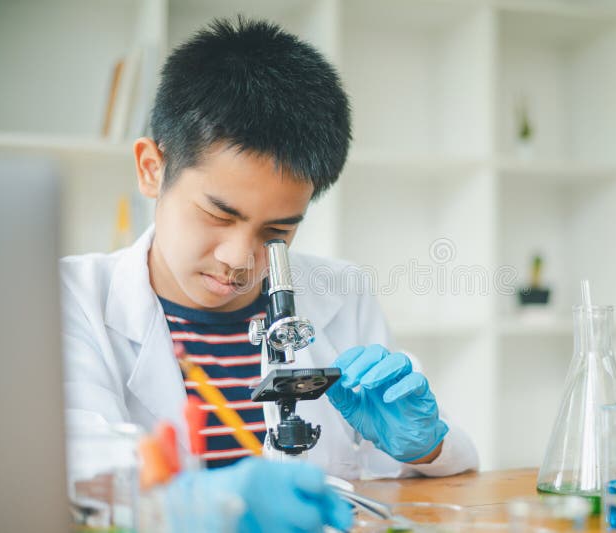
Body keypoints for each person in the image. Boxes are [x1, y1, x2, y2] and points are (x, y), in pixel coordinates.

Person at [61, 16, 478, 532]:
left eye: (277, 230)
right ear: (151, 168)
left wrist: (423, 445)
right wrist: (180, 504)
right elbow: (71, 459)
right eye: (218, 215)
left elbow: (397, 483)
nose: (240, 258)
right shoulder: (73, 298)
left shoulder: (340, 293)